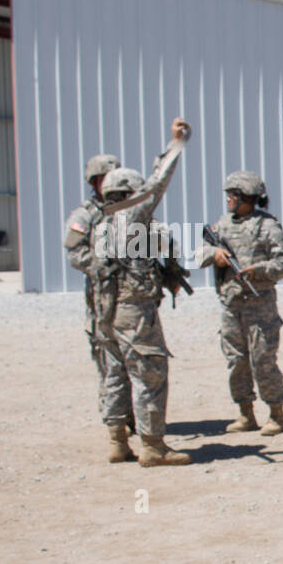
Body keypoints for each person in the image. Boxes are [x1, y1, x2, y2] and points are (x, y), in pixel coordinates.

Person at [91, 132, 191, 467]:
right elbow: (157, 185)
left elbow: (150, 252)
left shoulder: (104, 223)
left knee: (116, 374)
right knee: (150, 374)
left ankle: (118, 441)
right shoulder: (130, 216)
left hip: (107, 312)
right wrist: (176, 145)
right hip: (135, 313)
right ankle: (153, 447)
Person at [196, 171, 283, 436]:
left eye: (234, 195)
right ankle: (245, 413)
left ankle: (276, 412)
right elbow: (198, 252)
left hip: (259, 304)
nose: (229, 199)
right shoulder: (223, 224)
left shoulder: (267, 226)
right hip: (231, 304)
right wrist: (213, 253)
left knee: (263, 360)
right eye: (228, 194)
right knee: (236, 361)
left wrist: (258, 270)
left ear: (248, 197)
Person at [65, 153, 122, 419]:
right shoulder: (85, 214)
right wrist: (103, 265)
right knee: (106, 357)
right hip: (102, 297)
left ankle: (133, 415)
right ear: (95, 181)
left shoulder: (128, 209)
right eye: (106, 179)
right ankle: (114, 419)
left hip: (131, 298)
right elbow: (75, 253)